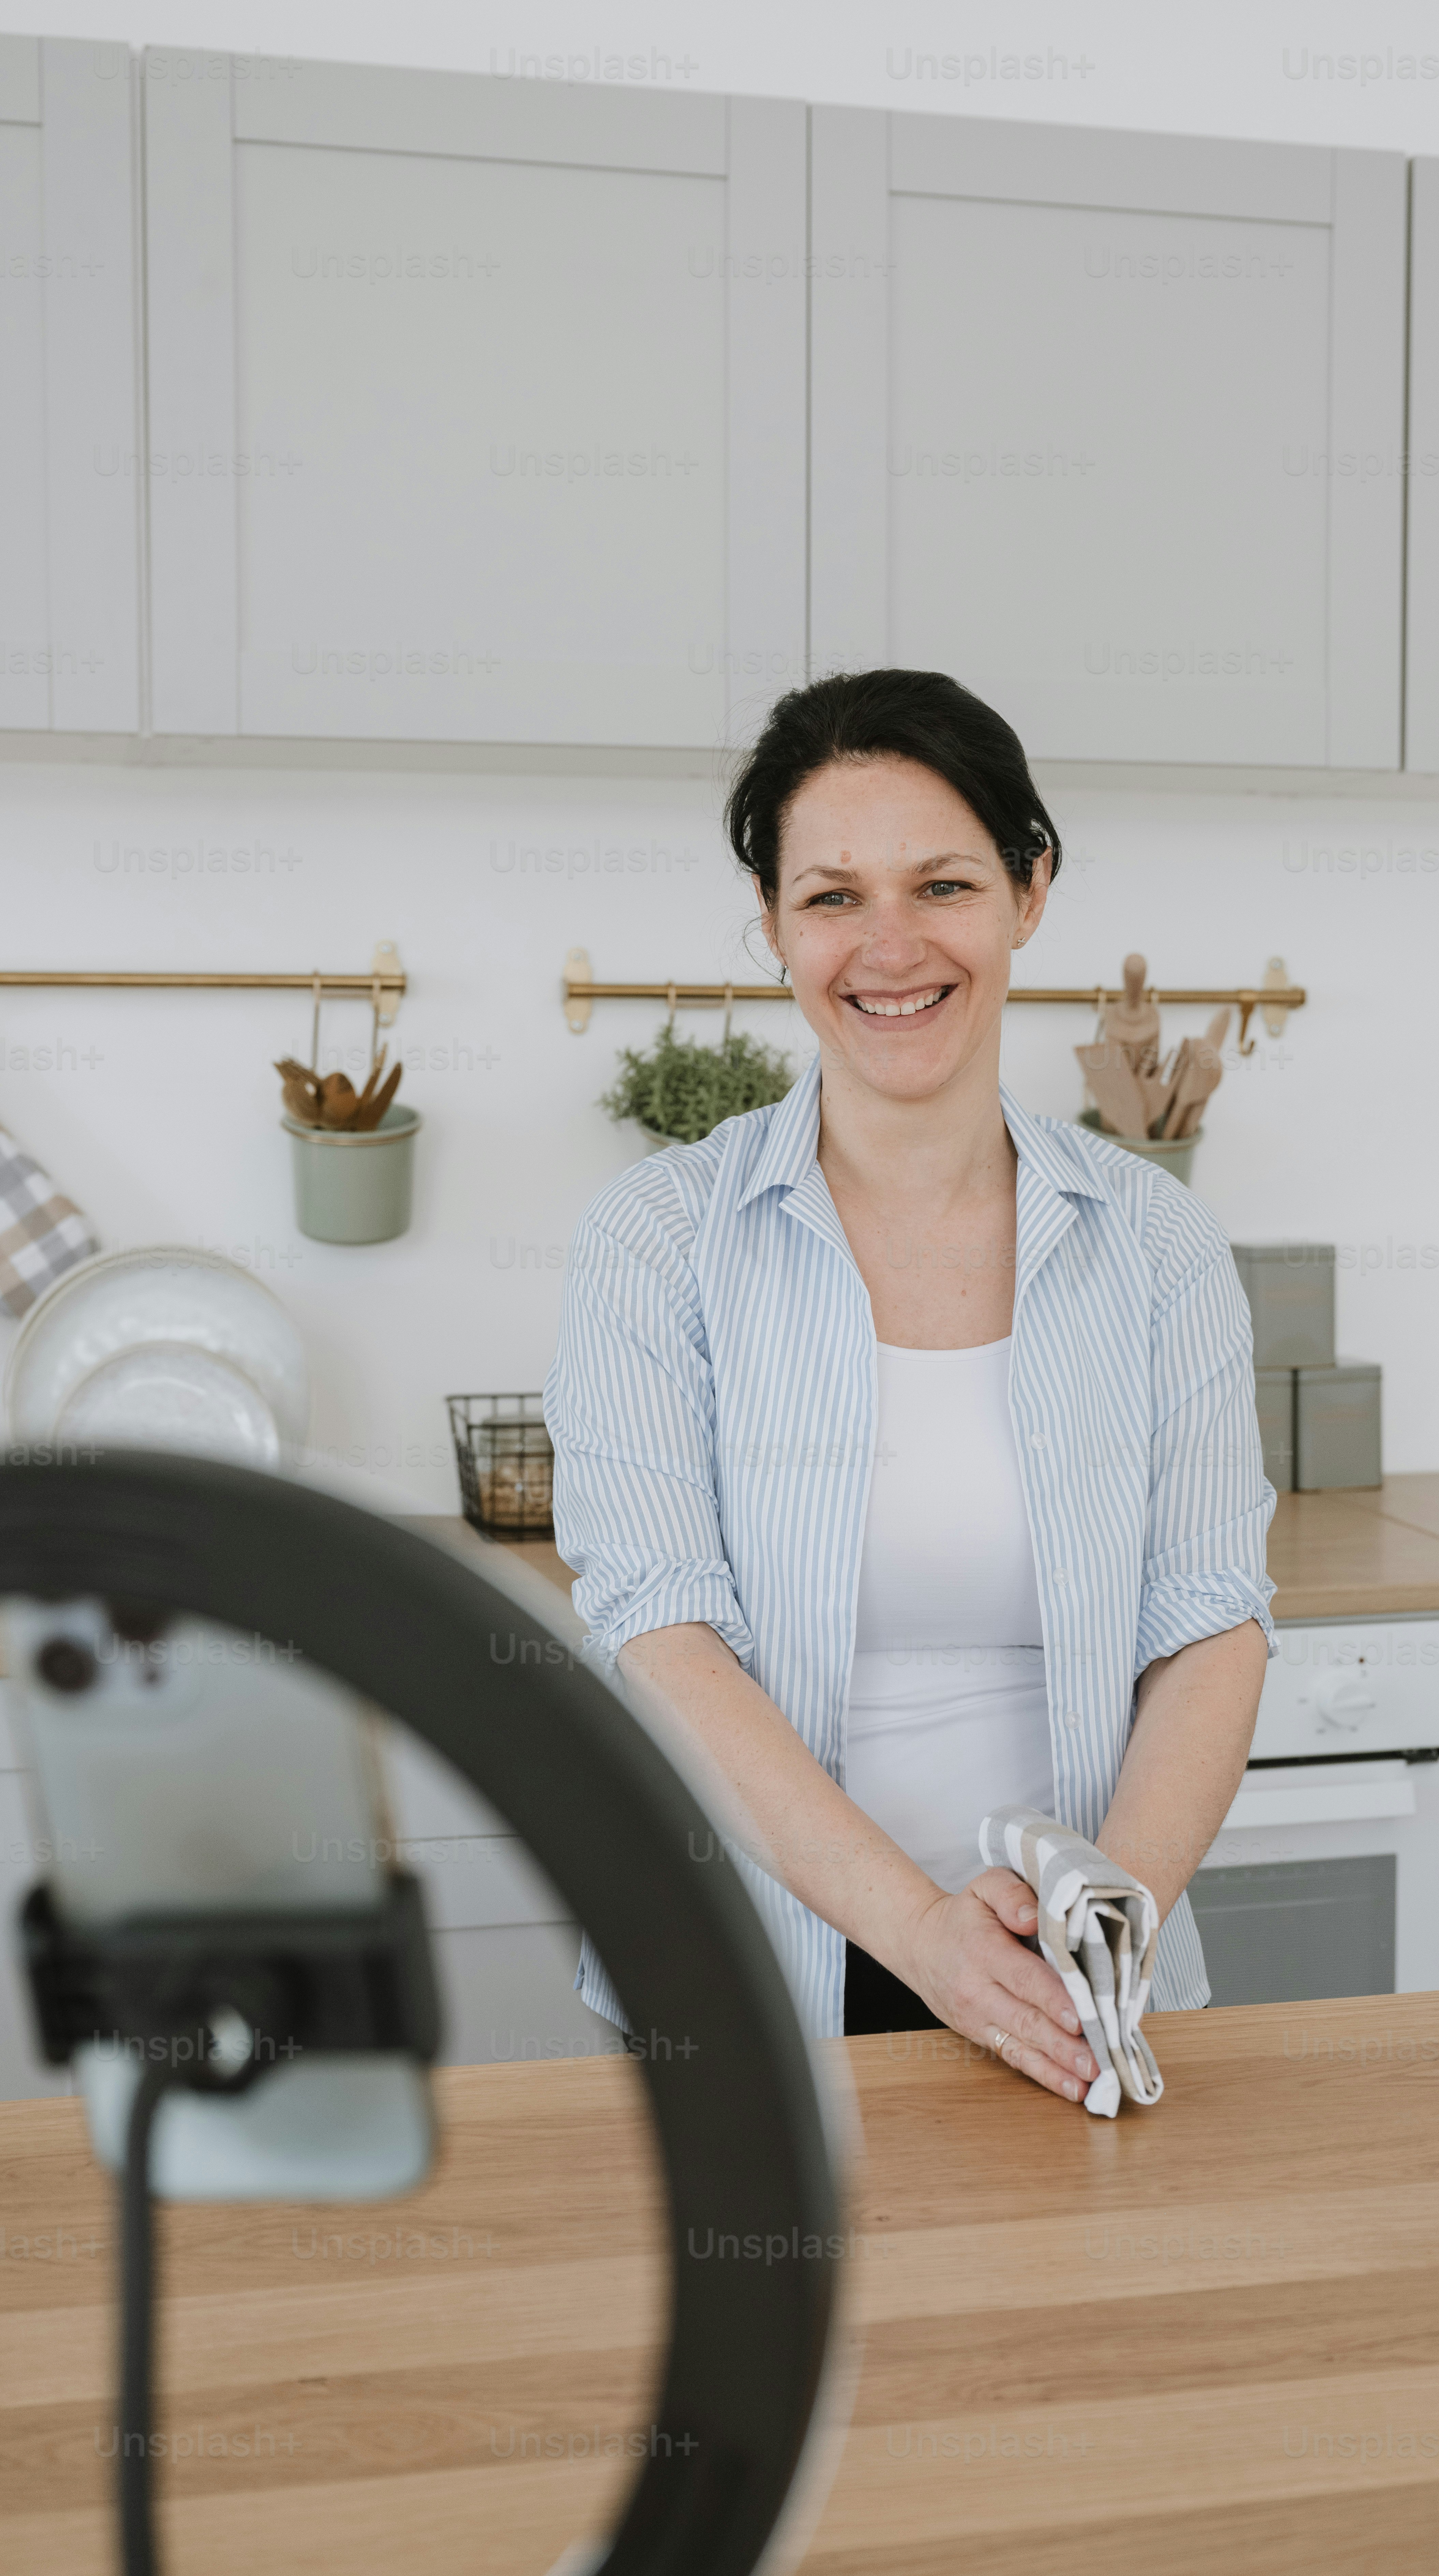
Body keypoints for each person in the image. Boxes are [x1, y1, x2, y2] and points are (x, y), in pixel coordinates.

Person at [545, 669, 1275, 2104]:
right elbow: (667, 1633)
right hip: (750, 1973)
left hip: (1080, 1980)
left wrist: (1095, 1932)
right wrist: (926, 1944)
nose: (889, 946)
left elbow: (1210, 1623)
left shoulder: (1156, 1242)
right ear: (771, 925)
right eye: (830, 897)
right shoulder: (658, 1240)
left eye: (942, 882)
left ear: (1029, 888)